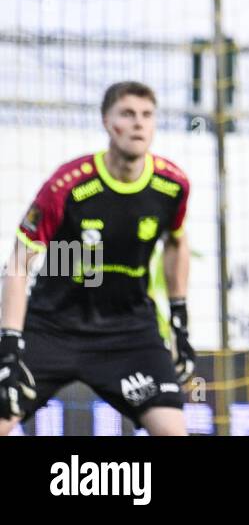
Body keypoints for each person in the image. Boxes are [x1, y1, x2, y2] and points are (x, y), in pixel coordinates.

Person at [0, 81, 193, 436]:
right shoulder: (66, 186)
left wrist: (179, 319)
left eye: (147, 115)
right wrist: (9, 344)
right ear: (107, 122)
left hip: (129, 334)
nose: (138, 123)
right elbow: (17, 263)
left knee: (173, 431)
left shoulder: (172, 185)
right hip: (51, 329)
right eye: (128, 114)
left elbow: (176, 243)